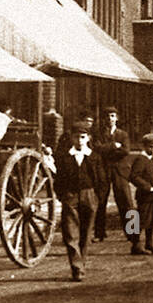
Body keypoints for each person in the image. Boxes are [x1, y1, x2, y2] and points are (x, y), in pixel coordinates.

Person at [54, 120, 104, 281]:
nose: (79, 141)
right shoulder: (65, 158)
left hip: (89, 196)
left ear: (88, 138)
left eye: (83, 137)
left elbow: (102, 180)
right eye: (76, 137)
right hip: (70, 196)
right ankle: (77, 268)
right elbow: (59, 180)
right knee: (70, 233)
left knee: (86, 233)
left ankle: (82, 262)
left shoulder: (94, 157)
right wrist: (63, 196)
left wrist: (97, 198)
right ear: (72, 139)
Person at [93, 107, 132, 240]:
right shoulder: (99, 134)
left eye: (112, 116)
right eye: (108, 116)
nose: (110, 119)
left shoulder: (123, 134)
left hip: (119, 170)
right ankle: (99, 234)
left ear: (117, 118)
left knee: (126, 200)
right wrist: (114, 146)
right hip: (104, 170)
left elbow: (125, 151)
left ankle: (133, 232)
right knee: (100, 201)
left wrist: (108, 149)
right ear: (104, 119)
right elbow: (97, 149)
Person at [128, 133, 153, 255]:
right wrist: (147, 187)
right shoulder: (141, 159)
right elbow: (134, 176)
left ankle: (149, 244)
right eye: (151, 147)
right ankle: (136, 245)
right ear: (144, 146)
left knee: (152, 221)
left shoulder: (151, 160)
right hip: (145, 196)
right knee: (141, 221)